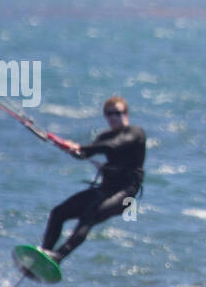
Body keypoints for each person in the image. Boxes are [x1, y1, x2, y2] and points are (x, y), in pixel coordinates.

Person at [39, 96, 146, 264]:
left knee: (90, 214)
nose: (112, 117)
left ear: (126, 114)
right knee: (58, 212)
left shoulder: (135, 133)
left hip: (125, 195)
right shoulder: (105, 136)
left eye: (117, 113)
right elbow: (85, 154)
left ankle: (59, 256)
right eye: (108, 114)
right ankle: (44, 253)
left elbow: (114, 145)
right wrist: (67, 147)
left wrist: (80, 147)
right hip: (105, 190)